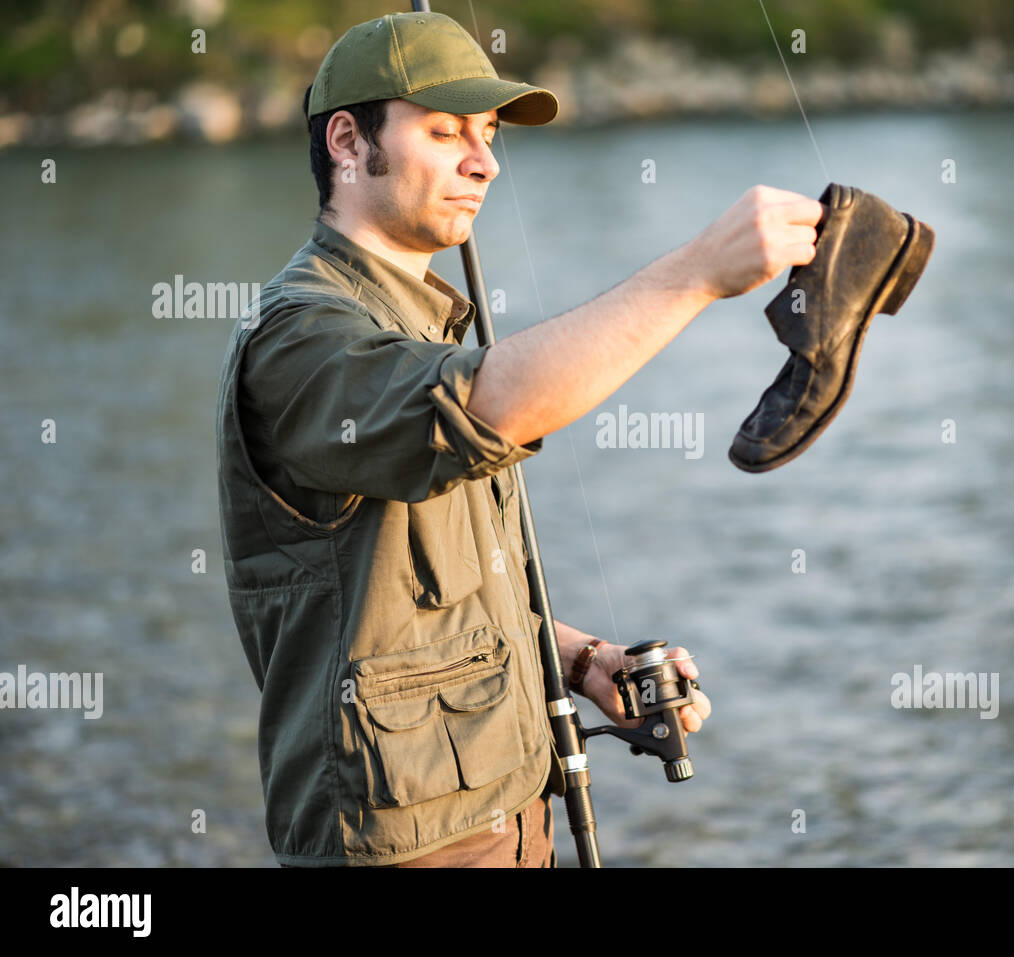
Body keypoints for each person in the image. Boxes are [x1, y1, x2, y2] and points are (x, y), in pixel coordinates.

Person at [215, 11, 821, 867]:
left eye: (489, 134)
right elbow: (484, 407)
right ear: (347, 142)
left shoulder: (411, 326)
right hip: (409, 847)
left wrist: (578, 661)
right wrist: (697, 272)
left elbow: (416, 592)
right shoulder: (302, 337)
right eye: (444, 131)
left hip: (510, 818)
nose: (484, 161)